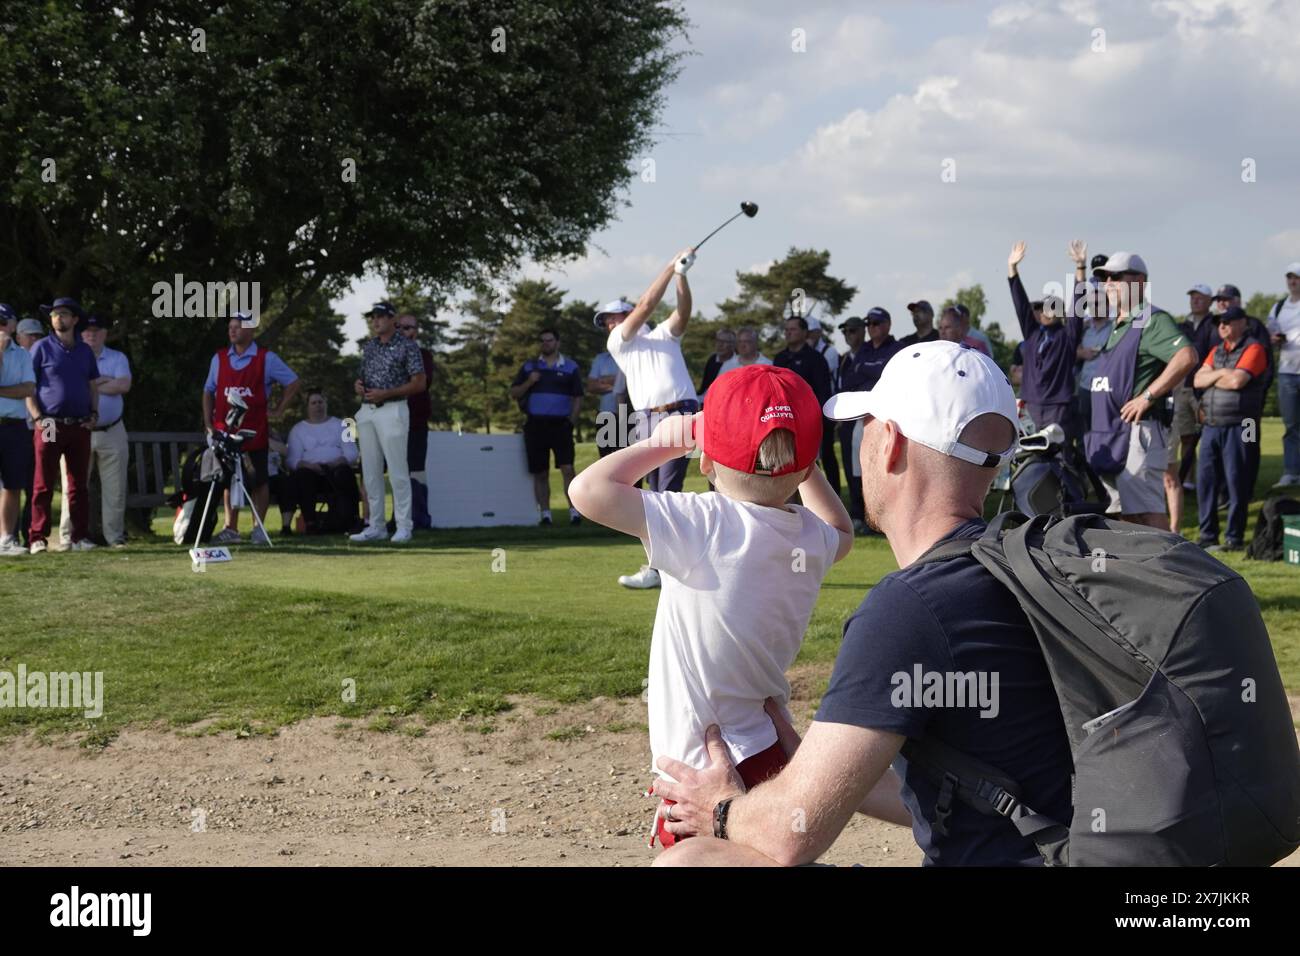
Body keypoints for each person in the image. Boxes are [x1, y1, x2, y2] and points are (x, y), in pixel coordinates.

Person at [649, 342, 1073, 868]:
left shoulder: (909, 608)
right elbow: (975, 783)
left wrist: (719, 809)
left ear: (889, 443)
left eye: (865, 423)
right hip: (1073, 853)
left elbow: (788, 837)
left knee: (686, 866)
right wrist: (817, 770)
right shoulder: (1023, 565)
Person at [567, 364, 853, 850]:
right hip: (767, 751)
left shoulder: (702, 521)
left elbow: (587, 492)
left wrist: (668, 441)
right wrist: (808, 469)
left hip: (705, 773)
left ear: (706, 464)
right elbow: (843, 532)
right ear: (806, 467)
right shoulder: (811, 537)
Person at [600, 247, 700, 590]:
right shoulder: (620, 343)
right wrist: (670, 265)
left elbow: (682, 313)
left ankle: (666, 569)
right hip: (647, 419)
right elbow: (646, 306)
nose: (611, 324)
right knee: (654, 495)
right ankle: (666, 566)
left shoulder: (663, 336)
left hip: (680, 413)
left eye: (614, 317)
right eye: (609, 321)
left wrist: (682, 277)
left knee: (667, 492)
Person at [1083, 253, 1197, 529]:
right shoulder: (1117, 325)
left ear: (1139, 281)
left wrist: (1148, 396)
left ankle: (1166, 571)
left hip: (1139, 432)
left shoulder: (1152, 319)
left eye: (1116, 277)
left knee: (1146, 514)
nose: (1108, 283)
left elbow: (1187, 356)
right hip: (1113, 434)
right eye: (1104, 278)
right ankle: (1135, 572)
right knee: (1125, 517)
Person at [202, 313, 299, 544]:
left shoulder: (266, 358)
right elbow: (208, 391)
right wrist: (208, 423)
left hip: (253, 431)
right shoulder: (220, 358)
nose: (232, 331)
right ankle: (231, 528)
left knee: (259, 481)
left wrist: (278, 410)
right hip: (224, 431)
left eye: (237, 327)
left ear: (251, 330)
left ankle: (259, 529)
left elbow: (293, 382)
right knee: (228, 480)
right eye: (231, 327)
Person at [27, 298, 100, 553]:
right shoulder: (41, 348)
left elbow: (92, 385)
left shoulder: (84, 351)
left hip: (79, 424)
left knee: (79, 484)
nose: (58, 318)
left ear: (75, 320)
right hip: (49, 422)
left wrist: (94, 413)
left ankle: (79, 537)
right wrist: (37, 417)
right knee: (43, 482)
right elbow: (28, 386)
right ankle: (37, 537)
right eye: (55, 314)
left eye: (64, 314)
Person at [350, 301, 426, 544]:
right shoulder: (370, 346)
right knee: (370, 473)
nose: (376, 321)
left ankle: (404, 526)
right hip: (367, 410)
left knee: (397, 472)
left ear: (393, 320)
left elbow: (419, 383)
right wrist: (358, 386)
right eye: (373, 317)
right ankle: (376, 526)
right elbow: (361, 377)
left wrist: (387, 392)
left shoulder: (407, 346)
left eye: (381, 317)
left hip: (393, 410)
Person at [1194, 307, 1269, 552]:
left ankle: (1234, 538)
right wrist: (1224, 373)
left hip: (1243, 424)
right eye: (1219, 322)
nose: (1222, 326)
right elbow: (1197, 379)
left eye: (1227, 321)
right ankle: (1207, 535)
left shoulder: (1254, 348)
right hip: (1212, 424)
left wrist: (1215, 375)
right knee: (1205, 480)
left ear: (1243, 323)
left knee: (1238, 479)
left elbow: (1238, 381)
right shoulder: (1216, 350)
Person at [59, 313, 130, 548]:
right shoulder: (72, 356)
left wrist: (92, 383)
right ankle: (68, 538)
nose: (92, 335)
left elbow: (123, 385)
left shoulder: (117, 357)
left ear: (104, 334)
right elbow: (73, 388)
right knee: (73, 488)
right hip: (79, 430)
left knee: (115, 490)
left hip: (112, 430)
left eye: (97, 331)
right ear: (81, 333)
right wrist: (101, 381)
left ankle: (114, 538)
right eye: (88, 331)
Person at [1007, 240, 1086, 442]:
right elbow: (1021, 306)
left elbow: (1078, 307)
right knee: (1027, 455)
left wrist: (1080, 268)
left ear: (1060, 313)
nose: (1047, 312)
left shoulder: (1067, 336)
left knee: (1057, 458)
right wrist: (1012, 269)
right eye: (1044, 308)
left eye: (1053, 308)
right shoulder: (1032, 334)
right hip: (1030, 404)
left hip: (1058, 407)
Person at [509, 328, 584, 526]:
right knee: (540, 472)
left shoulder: (570, 367)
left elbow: (578, 396)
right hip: (535, 424)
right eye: (542, 341)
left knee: (567, 469)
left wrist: (572, 421)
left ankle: (575, 512)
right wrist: (529, 381)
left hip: (561, 425)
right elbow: (514, 392)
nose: (546, 344)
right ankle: (545, 514)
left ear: (557, 343)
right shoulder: (529, 367)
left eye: (549, 341)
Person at [1167, 284, 1216, 527]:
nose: (1195, 301)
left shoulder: (1215, 324)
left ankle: (1209, 483)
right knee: (1185, 436)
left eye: (1200, 298)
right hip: (1181, 388)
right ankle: (1186, 478)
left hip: (1204, 389)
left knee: (1205, 435)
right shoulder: (1182, 325)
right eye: (1192, 297)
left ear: (1209, 300)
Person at [774, 315, 838, 495]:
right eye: (786, 329)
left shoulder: (816, 359)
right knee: (789, 463)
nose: (788, 333)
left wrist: (820, 419)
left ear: (804, 332)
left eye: (793, 329)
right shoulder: (780, 358)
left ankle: (832, 499)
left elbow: (823, 392)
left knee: (822, 460)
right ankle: (791, 500)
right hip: (786, 421)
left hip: (812, 420)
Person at [286, 389, 361, 534]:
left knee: (344, 473)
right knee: (302, 476)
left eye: (321, 402)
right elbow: (292, 459)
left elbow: (352, 453)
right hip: (310, 472)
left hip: (335, 471)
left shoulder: (342, 425)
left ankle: (350, 519)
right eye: (313, 403)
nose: (318, 406)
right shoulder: (298, 430)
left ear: (326, 404)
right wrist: (308, 465)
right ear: (307, 407)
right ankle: (311, 523)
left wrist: (335, 463)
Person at [0, 305, 35, 556]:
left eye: (4, 321)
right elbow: (18, 388)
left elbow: (28, 389)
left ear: (13, 325)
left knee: (13, 485)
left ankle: (7, 538)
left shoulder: (23, 355)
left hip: (14, 427)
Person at [396, 314, 434, 530]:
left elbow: (421, 383)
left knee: (416, 471)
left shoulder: (424, 355)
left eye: (409, 327)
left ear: (416, 331)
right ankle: (398, 518)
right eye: (399, 327)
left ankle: (419, 518)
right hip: (391, 423)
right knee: (396, 472)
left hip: (416, 423)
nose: (404, 331)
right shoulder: (385, 355)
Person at [1267, 263, 1300, 486]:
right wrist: (1275, 339)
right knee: (1291, 426)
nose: (1293, 281)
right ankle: (1291, 471)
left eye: (1296, 277)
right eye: (1290, 277)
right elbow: (1270, 334)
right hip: (1287, 372)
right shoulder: (1278, 308)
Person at [587, 347, 626, 459]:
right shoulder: (601, 359)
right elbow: (591, 386)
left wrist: (605, 381)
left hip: (631, 415)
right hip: (606, 415)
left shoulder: (636, 355)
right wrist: (619, 385)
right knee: (606, 459)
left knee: (631, 461)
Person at [697, 328, 735, 398]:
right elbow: (704, 386)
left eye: (724, 342)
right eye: (718, 341)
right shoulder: (713, 359)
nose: (720, 344)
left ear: (732, 344)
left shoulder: (737, 364)